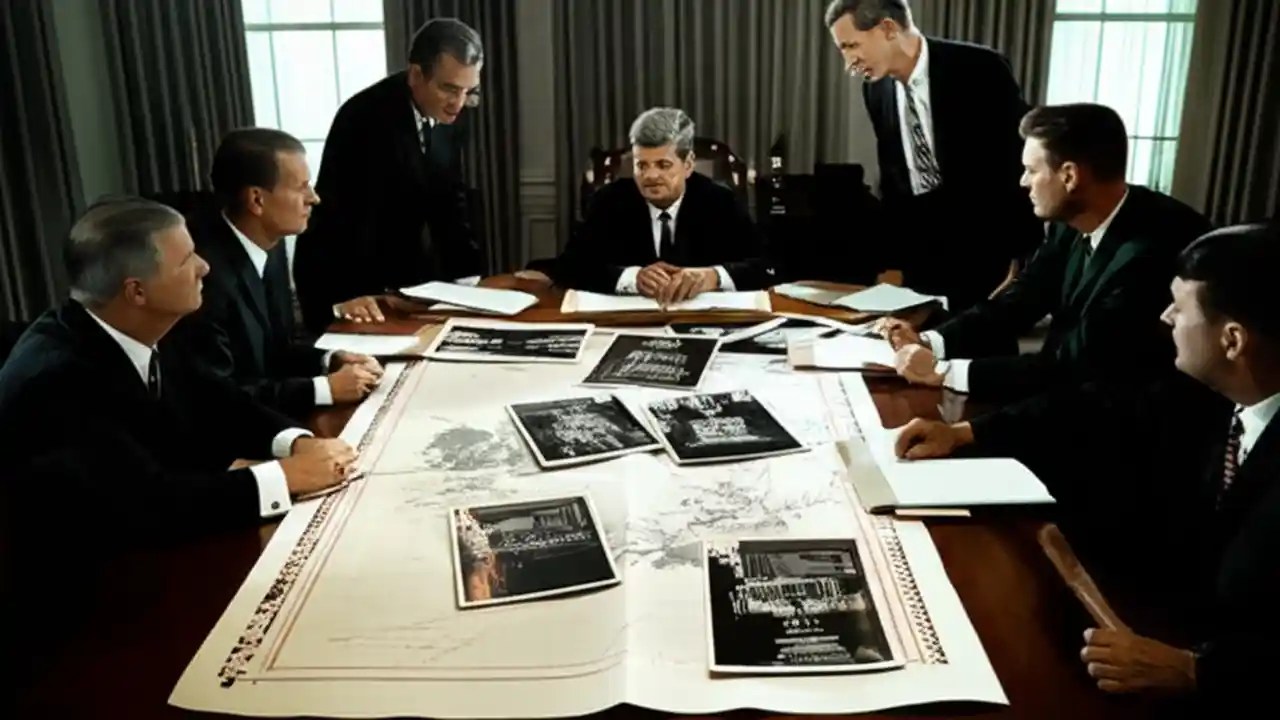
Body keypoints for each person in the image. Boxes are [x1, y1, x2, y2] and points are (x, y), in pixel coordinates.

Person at [894, 223, 1280, 705]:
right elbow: (1096, 407)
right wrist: (966, 432)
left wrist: (1197, 671)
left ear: (1232, 340)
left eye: (1179, 309)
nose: (1164, 318)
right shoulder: (1207, 393)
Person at [0, 197, 358, 546]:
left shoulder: (141, 324)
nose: (205, 267)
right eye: (187, 259)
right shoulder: (57, 380)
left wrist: (299, 442)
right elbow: (146, 502)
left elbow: (216, 399)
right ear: (137, 291)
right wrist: (285, 476)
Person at [879, 103, 1211, 400]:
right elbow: (1021, 301)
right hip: (1072, 397)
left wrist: (941, 372)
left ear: (1069, 175)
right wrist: (930, 342)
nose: (1023, 182)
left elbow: (1077, 361)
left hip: (1131, 423)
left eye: (1032, 170)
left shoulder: (1152, 250)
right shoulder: (1071, 219)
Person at [824, 0, 1041, 313]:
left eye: (851, 45)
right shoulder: (875, 89)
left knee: (980, 343)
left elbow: (1015, 158)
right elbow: (894, 172)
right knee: (921, 346)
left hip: (983, 240)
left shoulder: (979, 68)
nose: (849, 63)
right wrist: (894, 259)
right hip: (921, 246)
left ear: (888, 29)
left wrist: (1020, 256)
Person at [170, 128, 383, 421]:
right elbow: (217, 397)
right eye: (302, 188)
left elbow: (276, 349)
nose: (314, 198)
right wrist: (322, 389)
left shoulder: (268, 240)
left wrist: (329, 360)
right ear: (257, 200)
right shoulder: (201, 274)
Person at [292, 17, 486, 334]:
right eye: (449, 89)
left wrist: (469, 282)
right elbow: (349, 220)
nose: (459, 104)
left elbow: (448, 199)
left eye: (468, 91)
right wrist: (357, 297)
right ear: (416, 74)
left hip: (398, 275)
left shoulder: (450, 112)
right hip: (341, 277)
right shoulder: (364, 119)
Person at [554, 107, 773, 304]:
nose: (650, 176)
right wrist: (632, 278)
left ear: (687, 165)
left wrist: (712, 277)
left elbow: (767, 266)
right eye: (641, 165)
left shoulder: (719, 201)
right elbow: (569, 267)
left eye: (663, 165)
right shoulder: (609, 201)